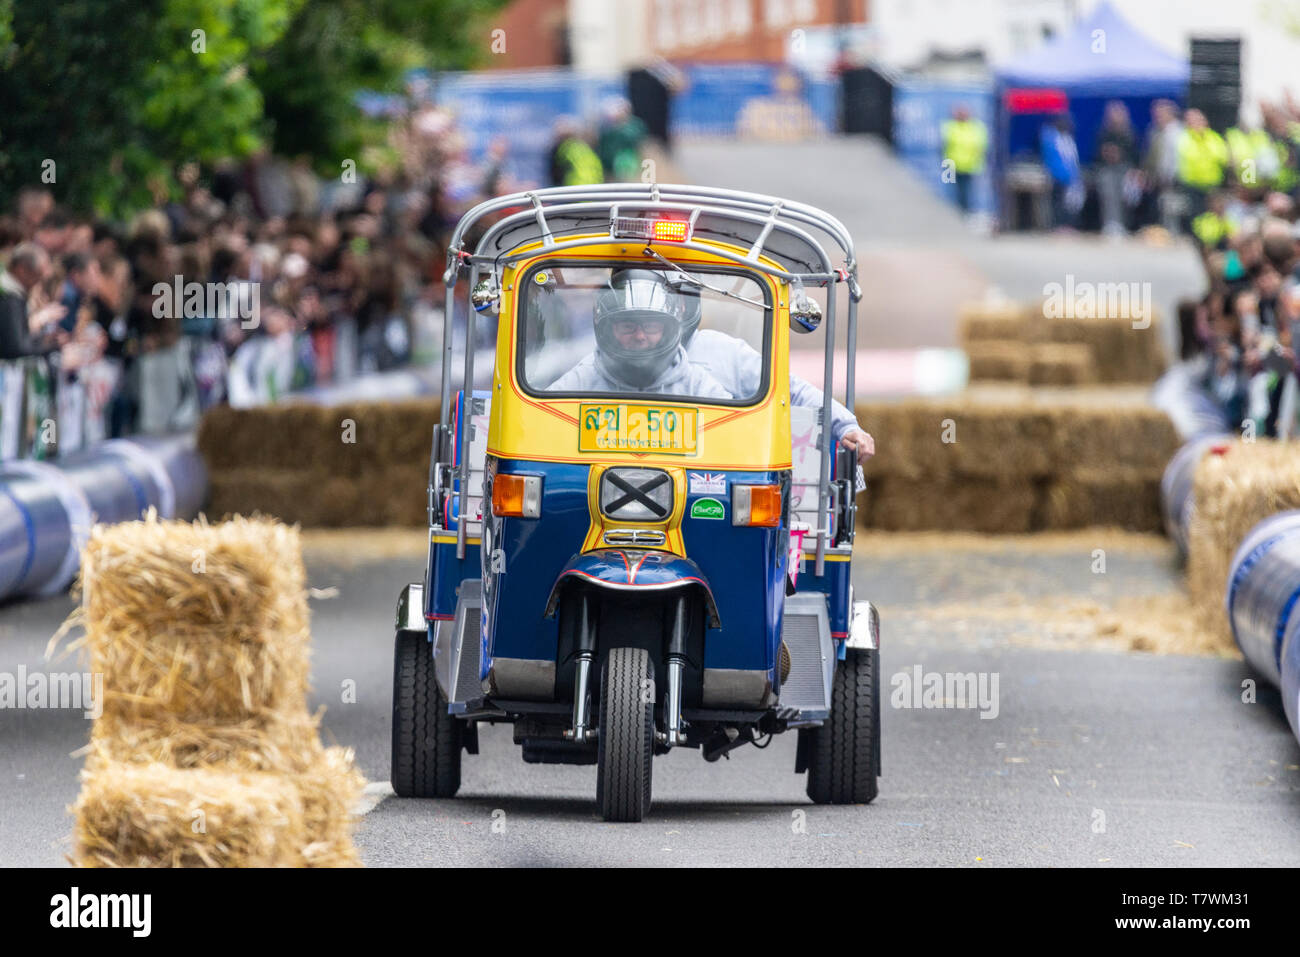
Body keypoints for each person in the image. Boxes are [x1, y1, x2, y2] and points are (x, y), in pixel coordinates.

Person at [674, 288, 875, 463]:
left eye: (672, 302)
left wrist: (845, 426)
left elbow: (789, 391)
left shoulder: (722, 351)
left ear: (687, 306)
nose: (641, 335)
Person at [548, 269, 730, 397]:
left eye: (651, 327)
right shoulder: (582, 381)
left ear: (667, 329)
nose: (640, 336)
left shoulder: (698, 386)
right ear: (609, 329)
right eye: (628, 327)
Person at [1176, 109, 1229, 227]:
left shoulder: (1214, 138)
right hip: (1193, 185)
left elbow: (1223, 157)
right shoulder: (1185, 138)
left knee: (1213, 216)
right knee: (1196, 215)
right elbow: (1187, 156)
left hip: (1212, 185)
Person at [941, 105, 988, 215]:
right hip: (952, 165)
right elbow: (944, 145)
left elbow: (981, 146)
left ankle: (965, 212)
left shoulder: (976, 128)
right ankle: (955, 213)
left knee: (967, 191)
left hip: (969, 166)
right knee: (954, 191)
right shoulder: (951, 126)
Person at [1040, 115, 1082, 229]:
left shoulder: (1068, 139)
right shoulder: (1051, 137)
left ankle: (1066, 226)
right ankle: (1057, 226)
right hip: (1057, 176)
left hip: (1069, 177)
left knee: (1069, 204)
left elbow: (1073, 160)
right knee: (1057, 202)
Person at [547, 117, 604, 188]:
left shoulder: (564, 149)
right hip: (591, 190)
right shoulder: (586, 150)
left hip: (573, 190)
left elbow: (555, 174)